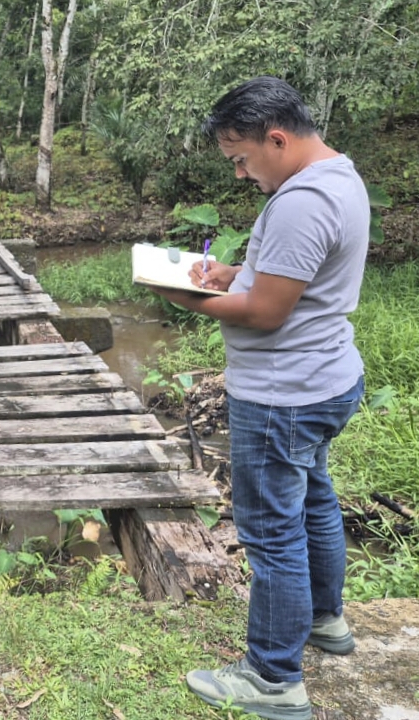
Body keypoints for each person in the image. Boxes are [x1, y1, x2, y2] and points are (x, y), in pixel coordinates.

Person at [151, 76, 369, 720]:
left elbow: (268, 313)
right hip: (327, 378)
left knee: (272, 533)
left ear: (276, 137)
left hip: (283, 395)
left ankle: (273, 678)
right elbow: (288, 279)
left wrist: (177, 291)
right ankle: (326, 621)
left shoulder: (302, 201)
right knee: (314, 503)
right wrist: (231, 274)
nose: (242, 174)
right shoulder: (337, 177)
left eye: (242, 159)